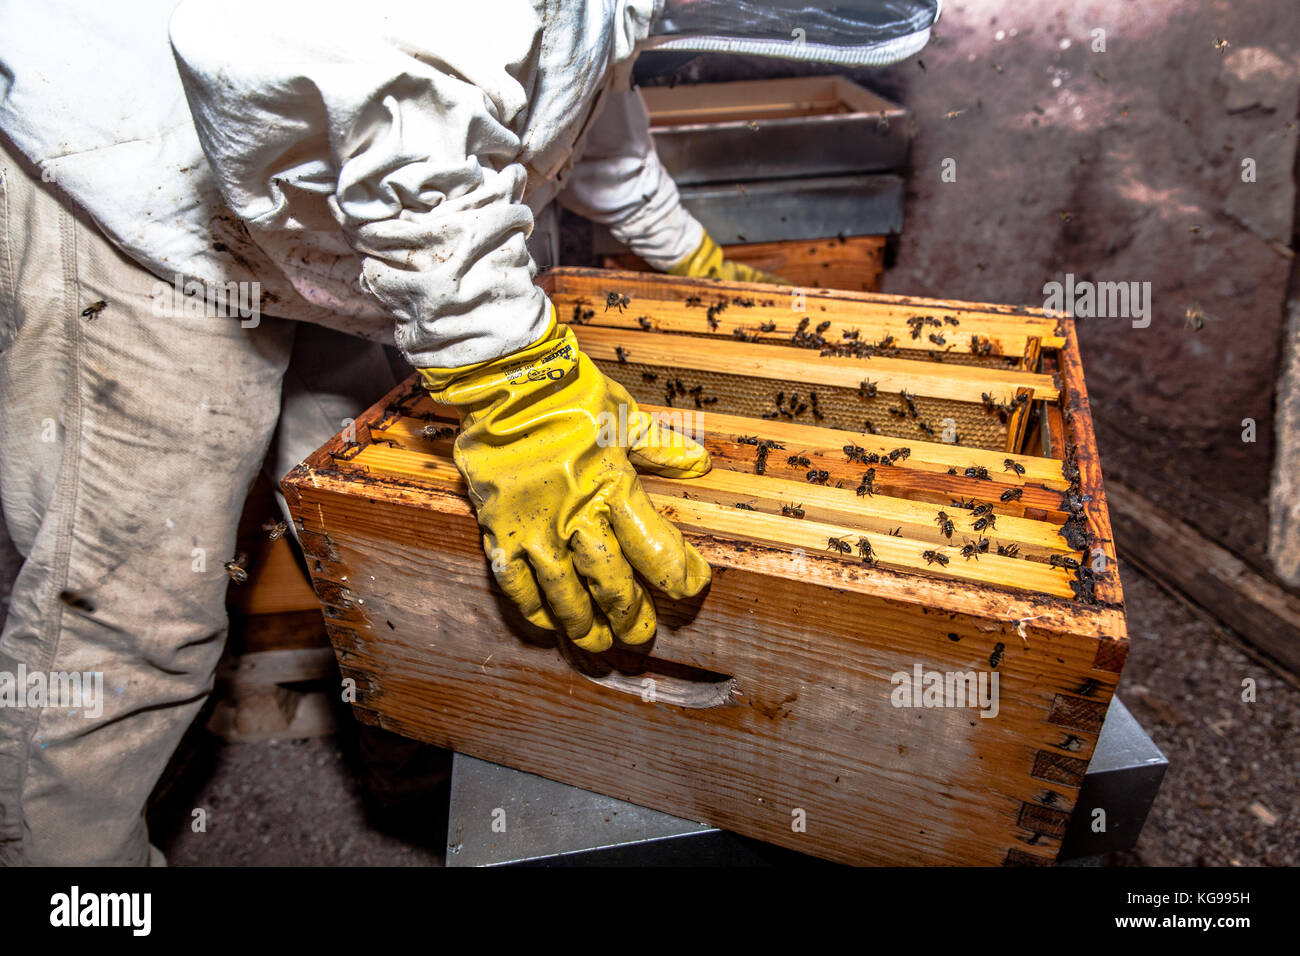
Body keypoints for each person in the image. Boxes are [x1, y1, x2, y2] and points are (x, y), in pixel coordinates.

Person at [0, 0, 939, 865]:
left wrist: (687, 253)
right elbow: (338, 57)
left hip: (346, 223)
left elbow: (576, 86)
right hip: (142, 201)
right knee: (135, 615)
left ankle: (434, 785)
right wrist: (515, 390)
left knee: (401, 538)